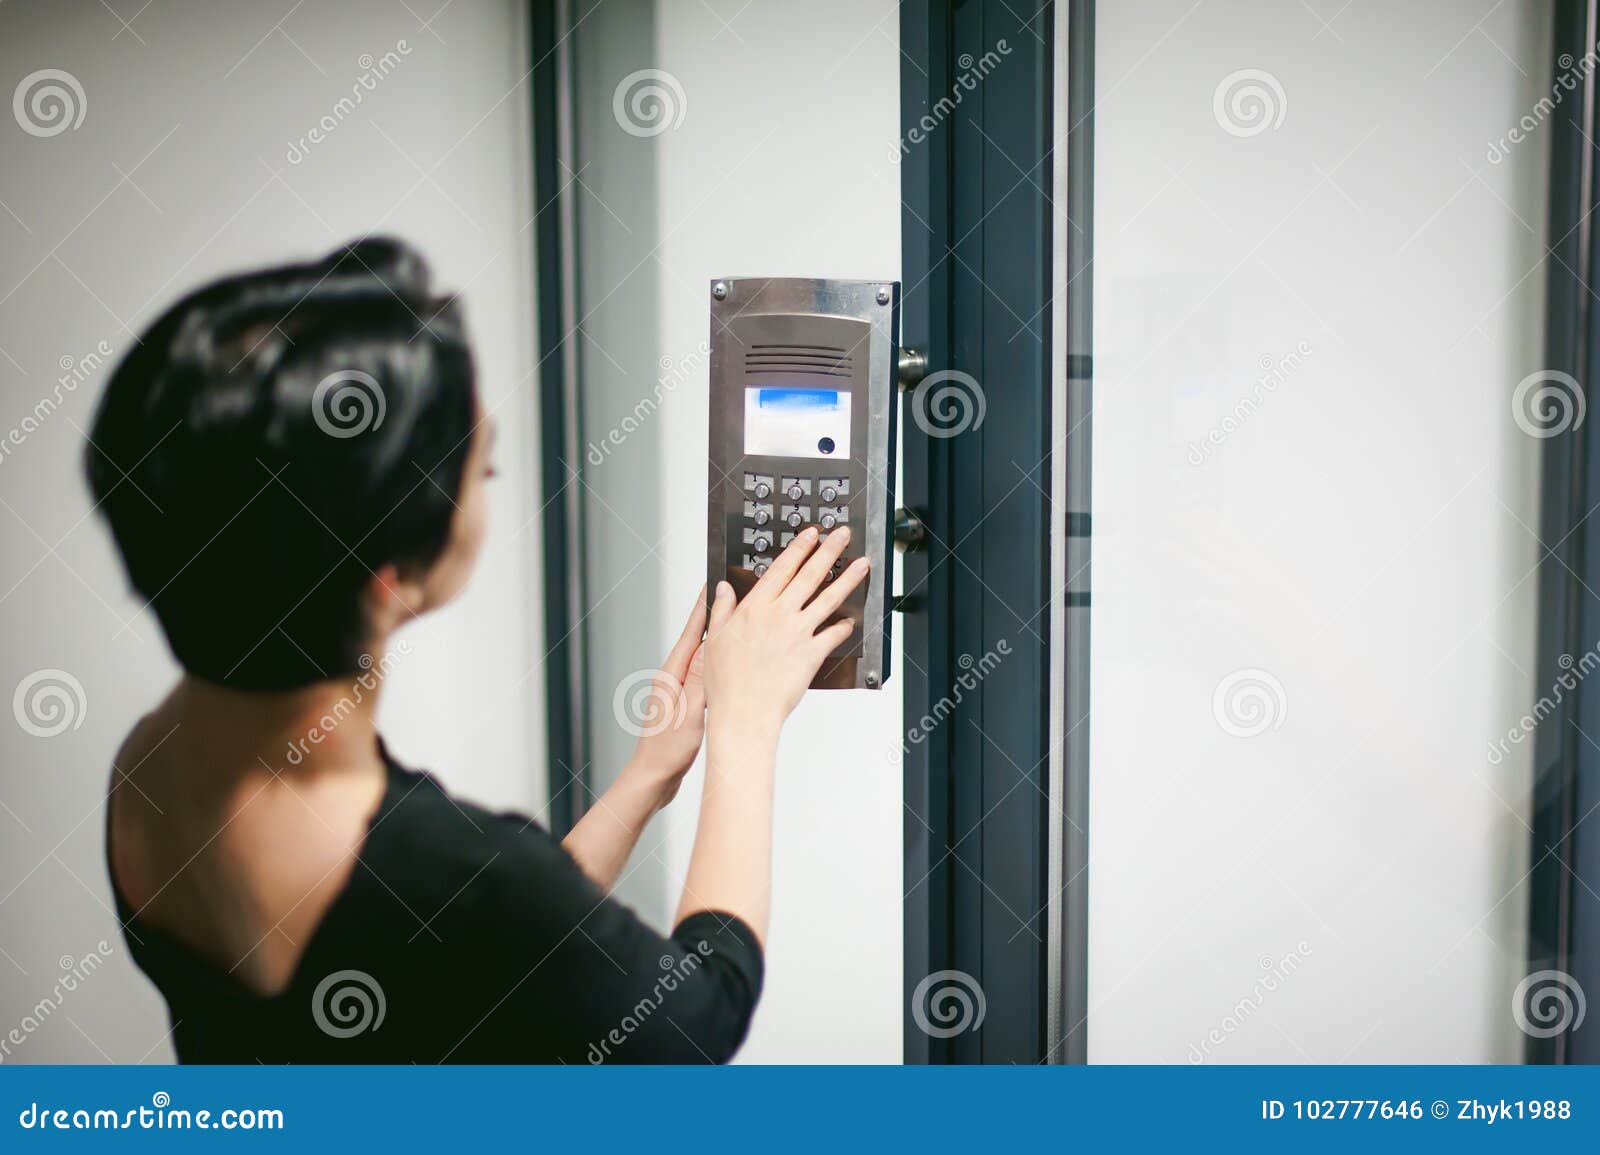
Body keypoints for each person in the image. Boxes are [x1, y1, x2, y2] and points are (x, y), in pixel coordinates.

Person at [88, 238, 868, 1062]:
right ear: (390, 581)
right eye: (478, 465)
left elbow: (473, 956)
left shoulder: (153, 764)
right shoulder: (455, 872)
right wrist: (745, 732)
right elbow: (693, 1023)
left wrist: (643, 783)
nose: (488, 463)